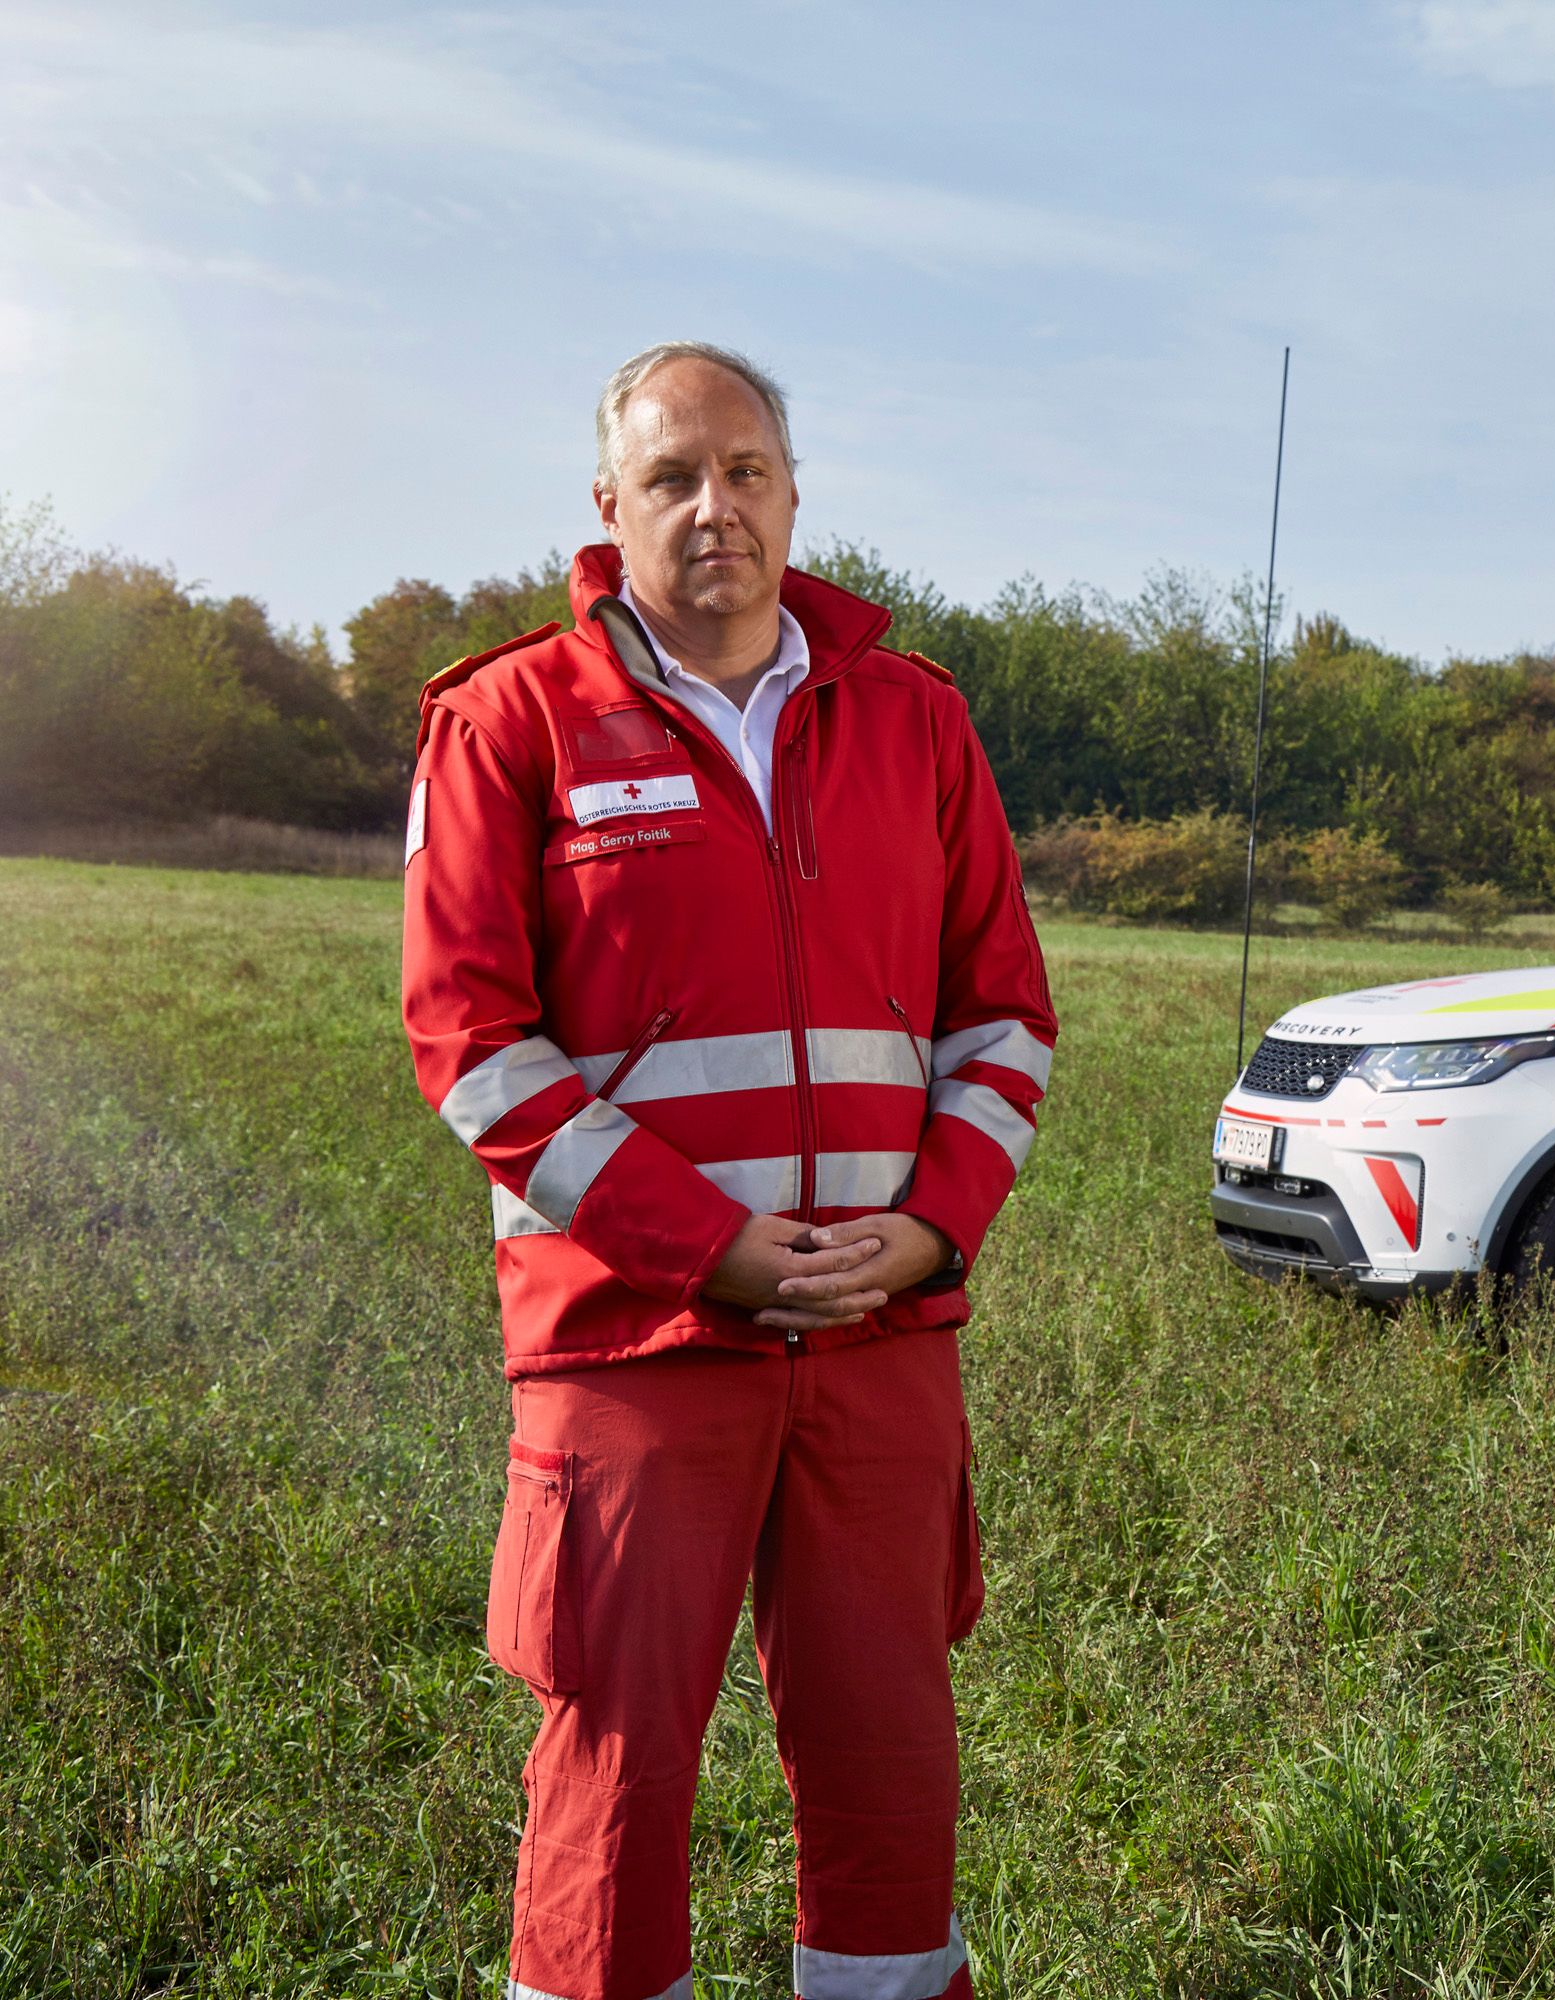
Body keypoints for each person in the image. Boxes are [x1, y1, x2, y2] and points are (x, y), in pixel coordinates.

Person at [400, 339, 1055, 2000]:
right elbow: (473, 1047)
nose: (717, 509)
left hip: (880, 1333)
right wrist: (713, 1247)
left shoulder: (916, 722)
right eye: (675, 477)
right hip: (633, 1342)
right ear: (608, 509)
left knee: (890, 1755)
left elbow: (1005, 1019)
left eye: (747, 472)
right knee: (616, 1773)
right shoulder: (507, 722)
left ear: (791, 495)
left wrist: (927, 1231)